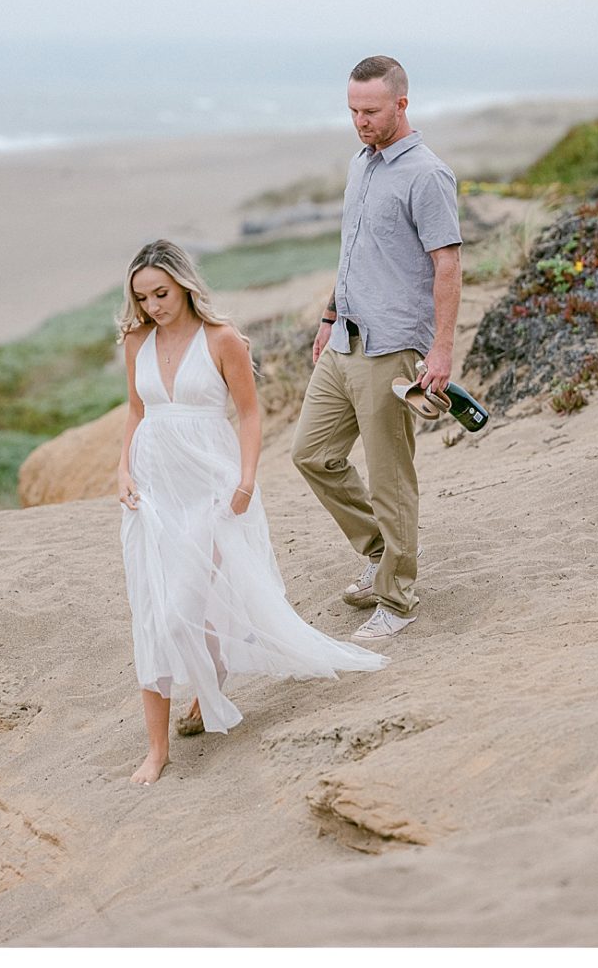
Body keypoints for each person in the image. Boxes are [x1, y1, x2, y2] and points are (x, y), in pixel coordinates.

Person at [116, 239, 386, 786]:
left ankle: (209, 681)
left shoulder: (223, 340)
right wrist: (122, 469)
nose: (152, 307)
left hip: (211, 487)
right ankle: (157, 748)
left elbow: (249, 414)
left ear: (186, 285)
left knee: (185, 605)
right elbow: (137, 409)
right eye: (142, 298)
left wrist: (245, 479)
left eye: (161, 294)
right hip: (153, 492)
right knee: (154, 610)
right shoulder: (137, 340)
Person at [291, 56, 462, 641]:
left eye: (370, 111)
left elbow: (448, 266)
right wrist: (328, 315)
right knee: (311, 454)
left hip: (393, 349)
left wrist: (441, 351)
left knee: (391, 479)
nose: (360, 122)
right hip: (343, 340)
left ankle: (396, 597)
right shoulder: (360, 165)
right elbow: (353, 252)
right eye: (352, 111)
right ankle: (376, 555)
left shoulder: (428, 175)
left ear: (401, 105)